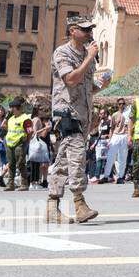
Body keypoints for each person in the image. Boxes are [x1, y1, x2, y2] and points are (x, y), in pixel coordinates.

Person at [47, 16, 106, 224]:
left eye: (90, 28)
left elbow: (86, 86)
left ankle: (52, 206)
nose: (90, 32)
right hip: (66, 112)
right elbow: (71, 80)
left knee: (64, 161)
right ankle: (80, 203)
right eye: (85, 29)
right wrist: (89, 57)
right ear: (73, 30)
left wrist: (101, 85)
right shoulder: (63, 53)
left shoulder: (86, 55)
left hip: (82, 113)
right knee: (78, 156)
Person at [2, 96, 31, 192]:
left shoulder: (25, 118)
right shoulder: (11, 119)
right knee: (11, 164)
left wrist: (26, 143)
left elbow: (30, 132)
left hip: (20, 144)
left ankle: (24, 184)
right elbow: (6, 128)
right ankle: (10, 184)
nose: (10, 110)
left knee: (21, 164)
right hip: (9, 144)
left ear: (17, 108)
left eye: (12, 108)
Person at [106, 98, 131, 183]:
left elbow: (131, 127)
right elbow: (112, 128)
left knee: (123, 158)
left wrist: (129, 138)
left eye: (123, 103)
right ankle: (106, 176)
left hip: (124, 135)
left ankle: (120, 177)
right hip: (115, 136)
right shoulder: (114, 115)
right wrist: (109, 140)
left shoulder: (128, 114)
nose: (122, 105)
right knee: (110, 157)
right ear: (117, 105)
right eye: (120, 104)